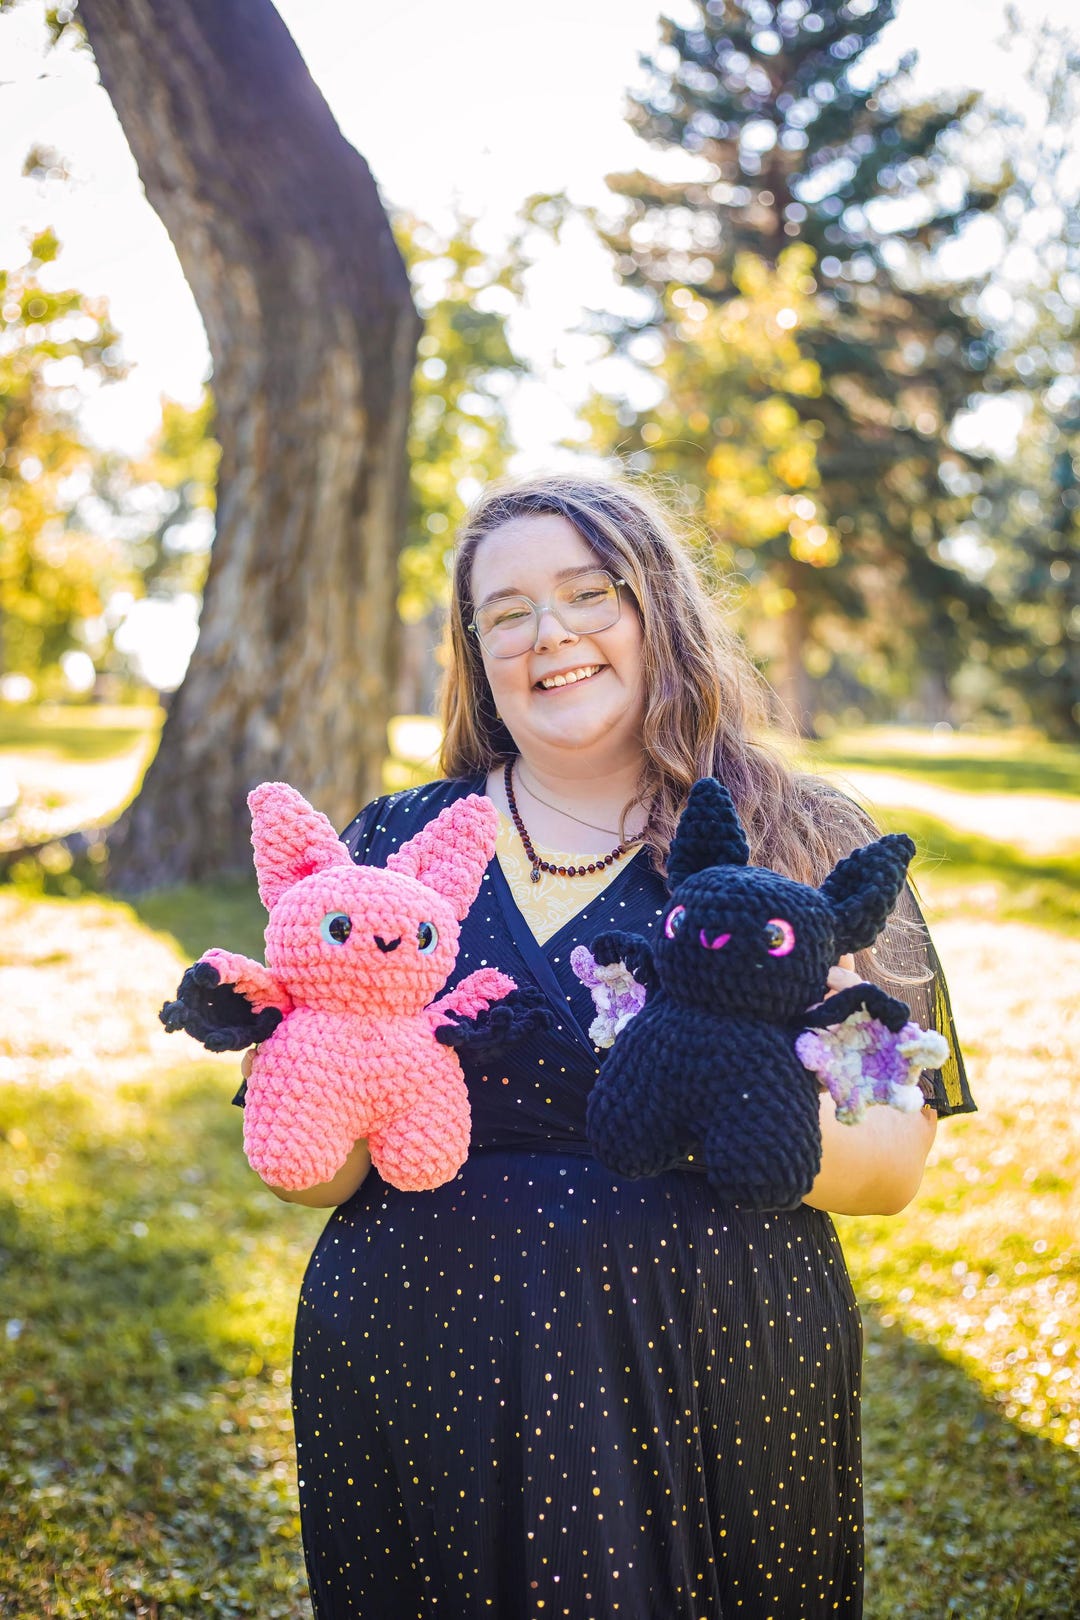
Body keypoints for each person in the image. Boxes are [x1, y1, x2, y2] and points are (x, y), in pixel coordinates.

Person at [250, 473, 974, 1620]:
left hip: (707, 1365)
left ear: (660, 611)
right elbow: (319, 1174)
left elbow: (889, 1167)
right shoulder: (389, 851)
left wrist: (691, 1090)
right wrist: (315, 1067)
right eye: (507, 612)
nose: (552, 634)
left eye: (592, 593)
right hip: (419, 1370)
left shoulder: (808, 843)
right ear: (475, 648)